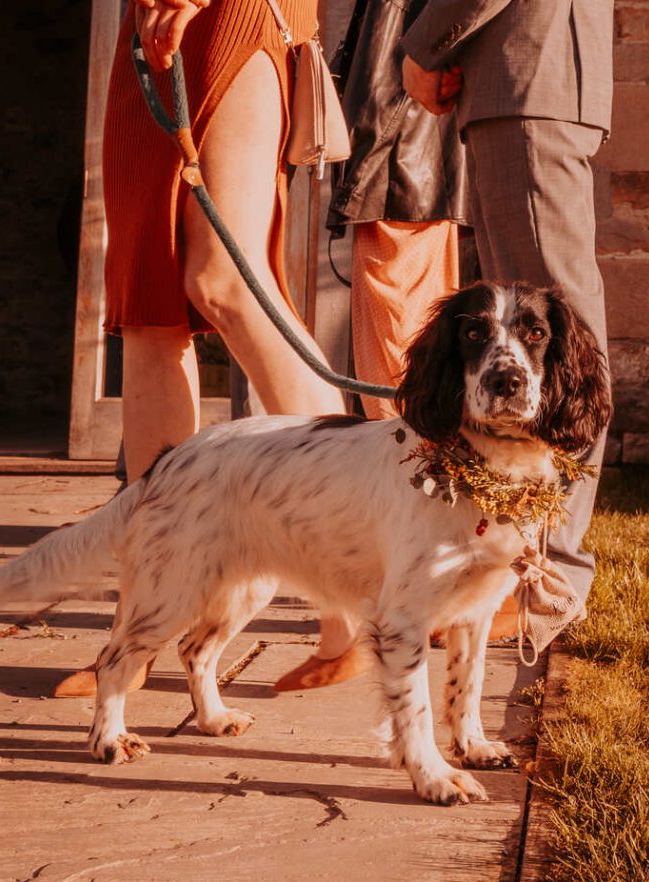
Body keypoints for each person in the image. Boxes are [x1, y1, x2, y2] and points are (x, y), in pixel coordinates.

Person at [55, 0, 367, 697]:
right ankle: (136, 633)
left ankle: (355, 601)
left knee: (225, 279)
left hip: (234, 13)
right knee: (147, 311)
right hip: (147, 20)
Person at [401, 0, 614, 604]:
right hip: (519, 84)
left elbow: (583, 368)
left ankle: (550, 585)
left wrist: (423, 46)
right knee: (519, 338)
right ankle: (524, 571)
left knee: (565, 345)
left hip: (530, 81)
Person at [328, 0, 468, 421]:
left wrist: (364, 166)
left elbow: (383, 79)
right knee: (401, 348)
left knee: (398, 353)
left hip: (402, 171)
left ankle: (408, 463)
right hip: (408, 171)